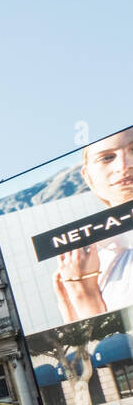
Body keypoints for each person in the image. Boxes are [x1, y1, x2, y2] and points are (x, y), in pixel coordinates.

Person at [53, 127, 133, 323]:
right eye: (107, 158)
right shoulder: (80, 264)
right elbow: (93, 347)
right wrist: (83, 293)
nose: (124, 165)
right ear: (87, 176)